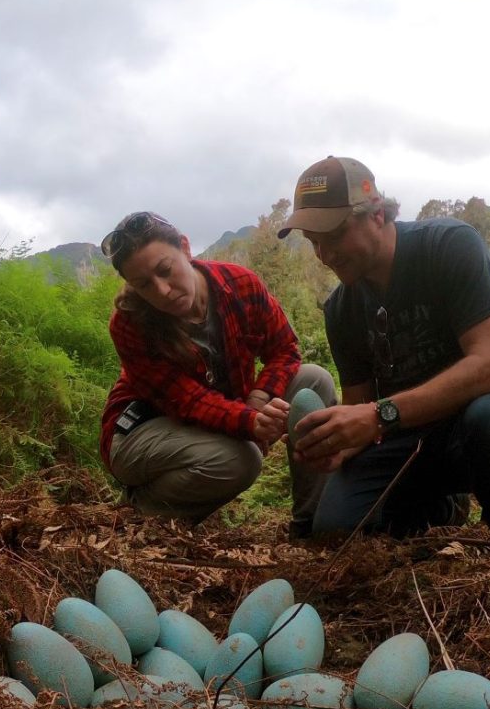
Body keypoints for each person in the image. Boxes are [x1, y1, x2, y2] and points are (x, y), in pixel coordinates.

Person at [280, 157, 490, 538]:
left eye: (334, 236)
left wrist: (379, 415)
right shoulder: (341, 309)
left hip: (469, 433)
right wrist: (334, 441)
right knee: (336, 530)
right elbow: (359, 406)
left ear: (377, 215)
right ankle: (440, 511)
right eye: (314, 243)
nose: (325, 255)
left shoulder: (448, 246)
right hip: (404, 443)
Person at [98, 210, 335, 529]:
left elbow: (284, 349)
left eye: (165, 270)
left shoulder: (240, 284)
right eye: (144, 285)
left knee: (314, 381)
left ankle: (312, 523)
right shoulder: (129, 324)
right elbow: (188, 401)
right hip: (140, 431)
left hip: (219, 413)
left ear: (185, 248)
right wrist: (252, 421)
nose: (162, 291)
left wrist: (261, 395)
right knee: (241, 461)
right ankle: (143, 514)